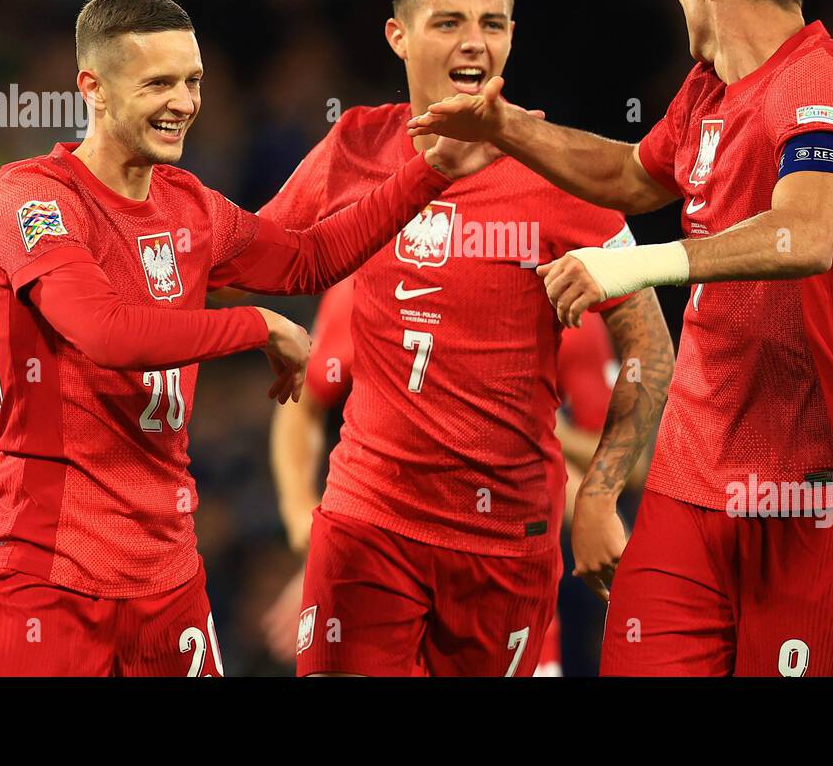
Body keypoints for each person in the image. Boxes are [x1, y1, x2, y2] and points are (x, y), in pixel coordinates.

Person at [410, 0, 833, 676]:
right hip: (690, 479)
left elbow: (808, 232)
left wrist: (634, 264)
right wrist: (504, 127)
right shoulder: (708, 92)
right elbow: (629, 175)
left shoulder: (821, 85)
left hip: (811, 487)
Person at [0, 0, 492, 676]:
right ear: (92, 86)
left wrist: (428, 173)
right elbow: (104, 332)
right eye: (158, 82)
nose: (183, 101)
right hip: (48, 575)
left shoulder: (189, 204)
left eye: (193, 81)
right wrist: (255, 326)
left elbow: (308, 257)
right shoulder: (36, 196)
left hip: (168, 580)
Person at [261, 0, 675, 676]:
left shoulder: (564, 173)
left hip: (504, 547)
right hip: (368, 526)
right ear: (398, 35)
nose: (473, 43)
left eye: (491, 24)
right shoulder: (355, 147)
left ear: (513, 36)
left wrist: (599, 494)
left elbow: (650, 345)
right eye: (448, 22)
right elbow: (253, 257)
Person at [262, 274, 641, 676]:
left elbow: (628, 462)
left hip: (505, 574)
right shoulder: (377, 273)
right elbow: (306, 398)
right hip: (388, 564)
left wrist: (547, 442)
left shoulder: (558, 288)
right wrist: (303, 515)